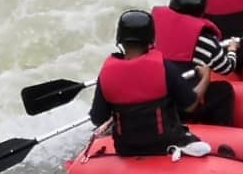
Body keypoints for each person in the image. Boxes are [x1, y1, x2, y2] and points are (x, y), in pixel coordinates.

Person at [90, 9, 211, 157]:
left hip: (127, 150)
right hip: (167, 144)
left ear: (120, 39)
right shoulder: (164, 67)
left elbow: (97, 118)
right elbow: (190, 106)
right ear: (150, 39)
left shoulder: (106, 73)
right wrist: (206, 77)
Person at [152, 0, 237, 127]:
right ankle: (219, 130)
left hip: (154, 101)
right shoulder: (206, 39)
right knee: (224, 90)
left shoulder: (151, 28)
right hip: (184, 104)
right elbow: (227, 68)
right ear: (202, 11)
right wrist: (232, 50)